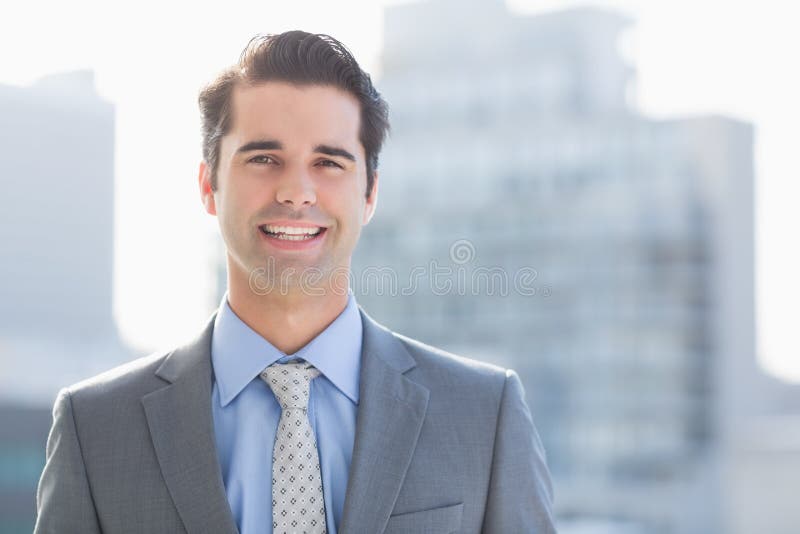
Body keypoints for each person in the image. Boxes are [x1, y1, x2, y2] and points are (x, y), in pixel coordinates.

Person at [34, 31, 556, 534]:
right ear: (208, 185)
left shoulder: (484, 416)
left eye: (328, 162)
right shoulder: (94, 427)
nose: (296, 191)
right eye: (264, 159)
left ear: (370, 194)